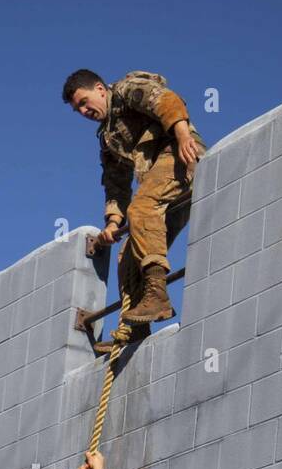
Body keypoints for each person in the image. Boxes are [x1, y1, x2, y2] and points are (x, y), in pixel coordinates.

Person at [62, 68, 208, 350]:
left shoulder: (128, 90)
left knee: (141, 209)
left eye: (83, 101)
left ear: (100, 89)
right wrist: (113, 224)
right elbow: (115, 184)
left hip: (179, 154)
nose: (83, 111)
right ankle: (136, 327)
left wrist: (183, 137)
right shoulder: (108, 137)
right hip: (158, 178)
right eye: (77, 109)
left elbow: (166, 101)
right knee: (128, 254)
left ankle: (158, 296)